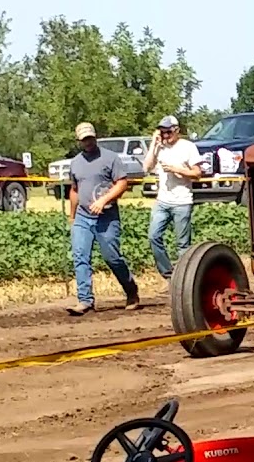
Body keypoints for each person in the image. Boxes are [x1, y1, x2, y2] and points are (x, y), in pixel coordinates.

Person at [67, 122, 140, 316]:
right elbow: (74, 190)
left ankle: (131, 289)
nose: (88, 142)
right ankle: (85, 300)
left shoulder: (111, 158)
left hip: (107, 216)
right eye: (84, 140)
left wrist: (104, 200)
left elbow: (122, 183)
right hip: (83, 216)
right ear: (79, 141)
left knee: (112, 257)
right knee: (80, 256)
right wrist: (72, 216)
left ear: (95, 137)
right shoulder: (75, 163)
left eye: (90, 138)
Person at [143, 115, 205, 280]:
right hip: (162, 201)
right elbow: (146, 167)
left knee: (182, 244)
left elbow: (197, 173)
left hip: (182, 201)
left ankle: (184, 279)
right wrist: (153, 144)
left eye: (168, 132)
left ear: (177, 130)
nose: (165, 136)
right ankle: (169, 274)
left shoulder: (188, 147)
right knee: (153, 236)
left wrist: (178, 169)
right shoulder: (159, 147)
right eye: (162, 132)